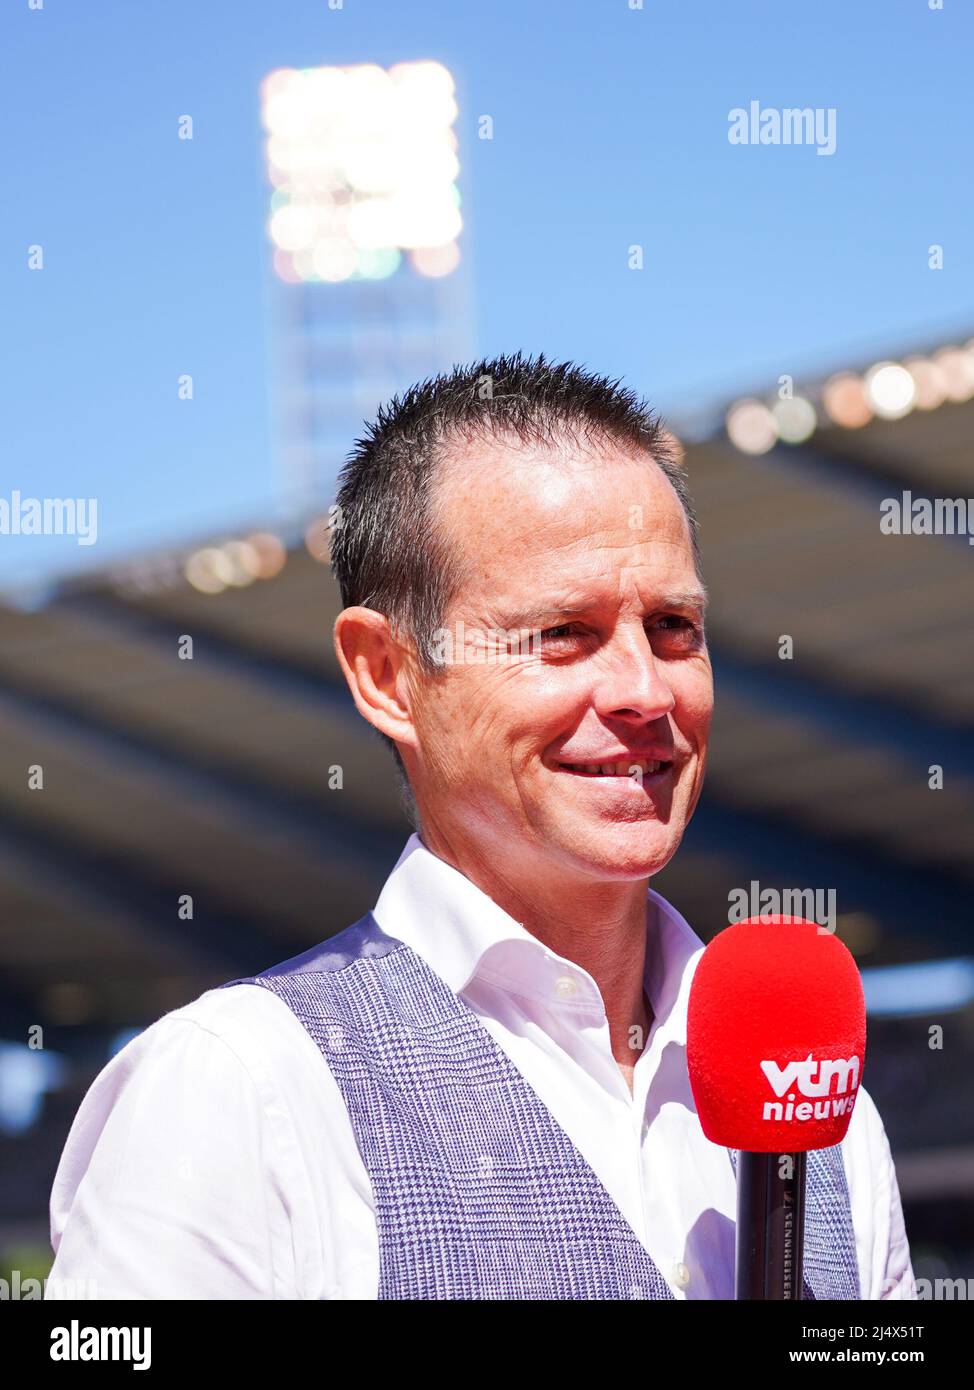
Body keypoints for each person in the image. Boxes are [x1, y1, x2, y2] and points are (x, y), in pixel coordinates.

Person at [46, 354, 915, 1299]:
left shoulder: (831, 1123)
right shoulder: (236, 1092)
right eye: (560, 635)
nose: (643, 690)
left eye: (673, 627)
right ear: (387, 674)